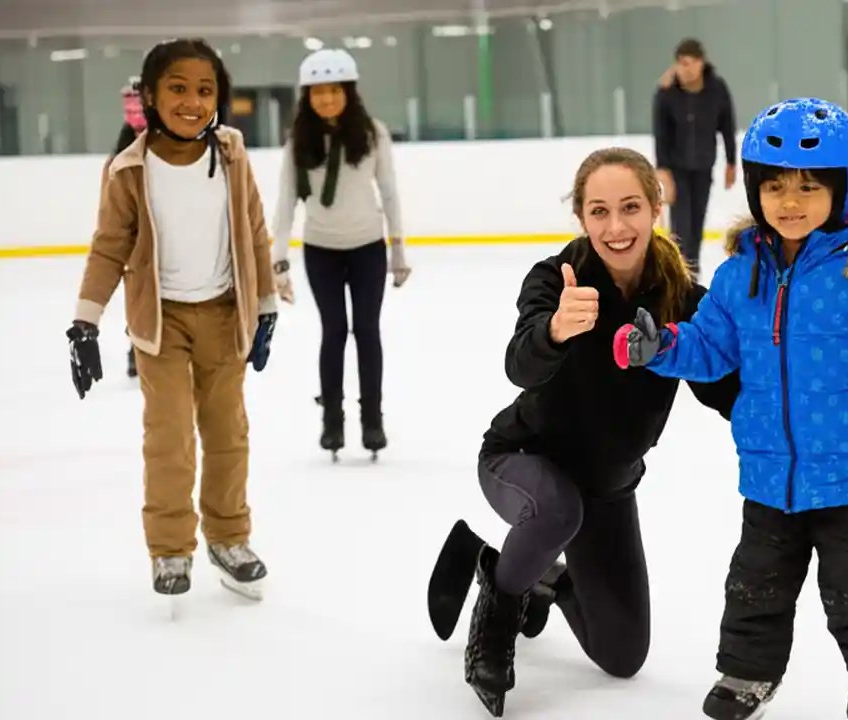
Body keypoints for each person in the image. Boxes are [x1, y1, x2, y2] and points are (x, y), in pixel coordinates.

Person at [615, 98, 848, 720]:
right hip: (770, 469)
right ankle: (747, 675)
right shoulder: (742, 270)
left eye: (808, 185)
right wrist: (662, 345)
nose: (790, 200)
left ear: (841, 186)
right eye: (774, 185)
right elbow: (713, 345)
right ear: (754, 188)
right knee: (755, 584)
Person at [426, 147, 740, 717]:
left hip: (608, 487)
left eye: (629, 208)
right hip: (521, 460)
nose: (615, 227)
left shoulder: (685, 301)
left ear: (655, 207)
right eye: (599, 211)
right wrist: (555, 329)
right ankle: (497, 615)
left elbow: (724, 391)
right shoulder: (556, 278)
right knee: (554, 510)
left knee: (622, 655)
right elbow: (520, 365)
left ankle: (529, 571)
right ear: (581, 217)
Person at [65, 37, 279, 600]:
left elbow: (255, 232)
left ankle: (229, 537)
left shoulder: (231, 152)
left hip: (225, 315)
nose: (192, 101)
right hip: (160, 323)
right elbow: (109, 247)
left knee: (228, 434)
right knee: (169, 438)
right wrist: (85, 323)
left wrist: (266, 307)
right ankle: (169, 548)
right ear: (152, 96)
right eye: (178, 88)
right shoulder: (130, 167)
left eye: (205, 90)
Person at [271, 47, 409, 459]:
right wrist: (278, 260)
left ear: (348, 92)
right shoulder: (299, 140)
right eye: (317, 92)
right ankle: (332, 418)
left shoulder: (372, 133)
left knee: (366, 331)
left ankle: (373, 419)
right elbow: (285, 201)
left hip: (367, 247)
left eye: (334, 90)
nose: (326, 99)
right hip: (321, 250)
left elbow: (389, 192)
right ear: (307, 97)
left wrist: (398, 250)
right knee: (333, 332)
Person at [652, 37, 737, 277]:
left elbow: (727, 125)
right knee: (681, 227)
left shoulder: (717, 88)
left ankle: (692, 275)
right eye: (680, 63)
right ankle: (678, 274)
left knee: (696, 226)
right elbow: (661, 133)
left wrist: (731, 162)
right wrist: (663, 171)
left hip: (703, 166)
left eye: (690, 63)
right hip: (676, 169)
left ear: (701, 63)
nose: (684, 69)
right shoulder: (667, 92)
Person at [118, 76, 148, 379]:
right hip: (137, 236)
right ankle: (135, 347)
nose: (133, 113)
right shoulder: (123, 148)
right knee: (139, 295)